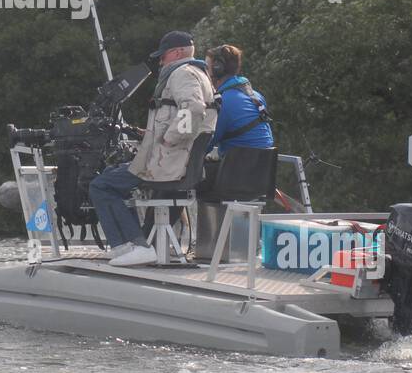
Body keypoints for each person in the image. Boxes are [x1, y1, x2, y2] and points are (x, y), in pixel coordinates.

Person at [88, 30, 217, 267]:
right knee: (111, 178)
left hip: (170, 163)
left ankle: (136, 246)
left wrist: (170, 138)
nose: (160, 61)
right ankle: (129, 245)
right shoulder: (199, 74)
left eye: (163, 56)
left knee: (101, 185)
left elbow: (194, 108)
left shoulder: (182, 74)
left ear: (177, 52)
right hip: (179, 163)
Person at [205, 44, 274, 154]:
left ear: (218, 69)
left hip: (238, 168)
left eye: (207, 68)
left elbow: (206, 144)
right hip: (263, 167)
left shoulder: (222, 102)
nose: (205, 74)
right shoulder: (256, 96)